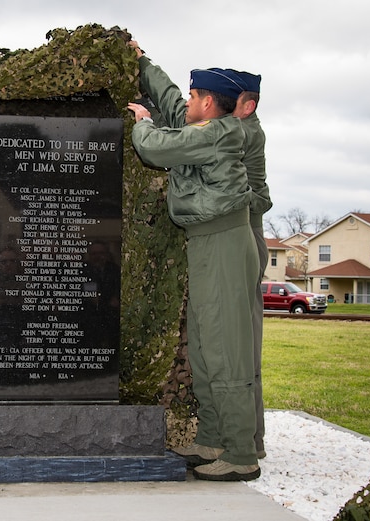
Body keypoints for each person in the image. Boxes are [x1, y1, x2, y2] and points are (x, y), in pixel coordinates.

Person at [126, 44, 260, 482]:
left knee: (225, 349)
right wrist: (142, 62)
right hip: (205, 243)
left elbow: (157, 149)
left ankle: (240, 453)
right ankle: (213, 438)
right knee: (204, 347)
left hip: (224, 242)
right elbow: (169, 102)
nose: (186, 101)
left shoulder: (220, 133)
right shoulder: (201, 126)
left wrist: (142, 123)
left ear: (208, 103)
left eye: (193, 95)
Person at [226, 69, 273, 460]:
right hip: (241, 233)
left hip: (245, 234)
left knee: (243, 343)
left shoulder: (244, 133)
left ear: (248, 105)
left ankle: (249, 440)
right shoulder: (236, 128)